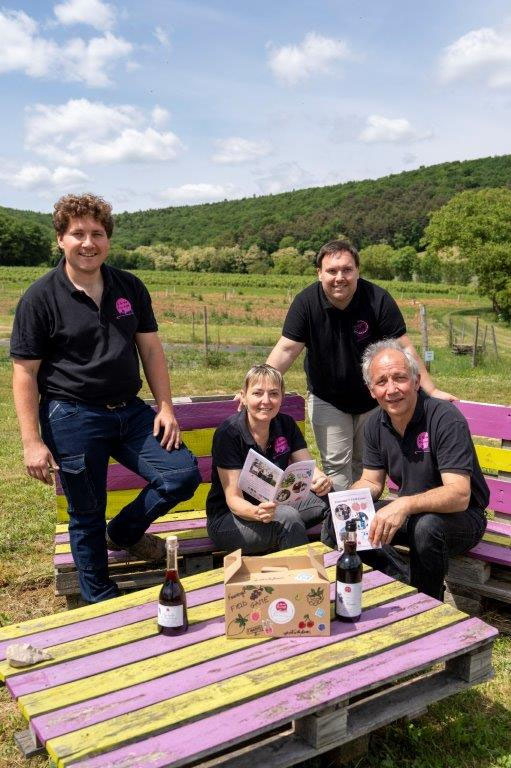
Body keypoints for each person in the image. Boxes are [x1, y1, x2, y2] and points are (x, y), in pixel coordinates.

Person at [10, 193, 201, 604]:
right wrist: (32, 441)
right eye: (77, 233)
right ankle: (100, 599)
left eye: (97, 233)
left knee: (180, 476)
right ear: (60, 239)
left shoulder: (128, 287)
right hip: (71, 414)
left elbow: (150, 349)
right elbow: (24, 373)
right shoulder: (40, 297)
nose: (88, 242)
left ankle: (126, 531)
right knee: (86, 514)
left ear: (108, 240)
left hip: (129, 411)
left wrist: (164, 406)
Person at [266, 240, 454, 491]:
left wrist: (431, 390)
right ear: (319, 273)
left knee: (369, 465)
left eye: (347, 270)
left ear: (357, 271)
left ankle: (367, 525)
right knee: (336, 467)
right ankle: (344, 525)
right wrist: (260, 385)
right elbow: (287, 349)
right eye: (332, 271)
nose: (339, 277)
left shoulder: (378, 299)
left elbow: (404, 349)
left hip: (373, 400)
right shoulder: (306, 303)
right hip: (327, 398)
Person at [323, 339, 488, 600]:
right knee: (342, 519)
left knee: (426, 527)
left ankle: (430, 601)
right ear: (371, 390)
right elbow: (372, 481)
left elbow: (459, 495)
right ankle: (405, 584)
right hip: (413, 512)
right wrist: (346, 501)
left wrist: (403, 505)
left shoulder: (445, 418)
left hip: (462, 518)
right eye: (381, 382)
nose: (391, 389)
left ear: (416, 380)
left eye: (399, 378)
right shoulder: (375, 424)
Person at [207, 364, 332, 553]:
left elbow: (307, 468)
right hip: (229, 519)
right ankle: (301, 577)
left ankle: (337, 561)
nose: (266, 401)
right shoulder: (229, 433)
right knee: (287, 518)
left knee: (333, 499)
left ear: (281, 397)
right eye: (257, 393)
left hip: (276, 506)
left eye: (273, 394)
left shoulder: (286, 424)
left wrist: (320, 480)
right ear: (244, 396)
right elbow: (233, 499)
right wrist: (257, 513)